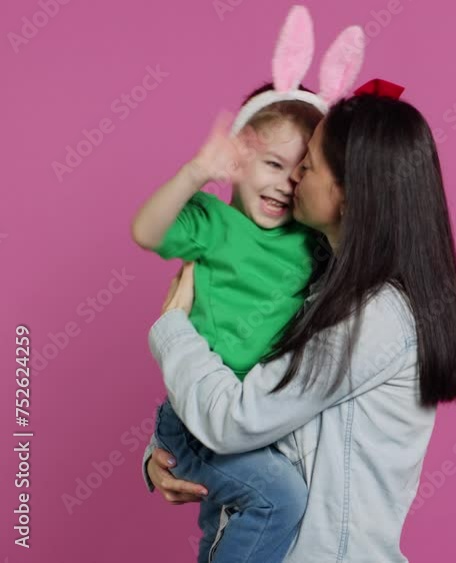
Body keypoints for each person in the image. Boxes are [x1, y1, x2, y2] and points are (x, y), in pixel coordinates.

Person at [144, 79, 456, 563]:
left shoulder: (372, 319)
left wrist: (172, 329)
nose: (294, 178)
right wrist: (167, 451)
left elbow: (237, 417)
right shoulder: (325, 288)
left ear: (348, 193)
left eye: (308, 164)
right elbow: (263, 401)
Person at [134, 9, 367, 562]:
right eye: (270, 163)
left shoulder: (309, 239)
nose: (284, 185)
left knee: (237, 525)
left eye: (299, 171)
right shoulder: (215, 226)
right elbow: (146, 230)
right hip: (200, 418)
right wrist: (196, 171)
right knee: (277, 498)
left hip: (255, 423)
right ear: (237, 160)